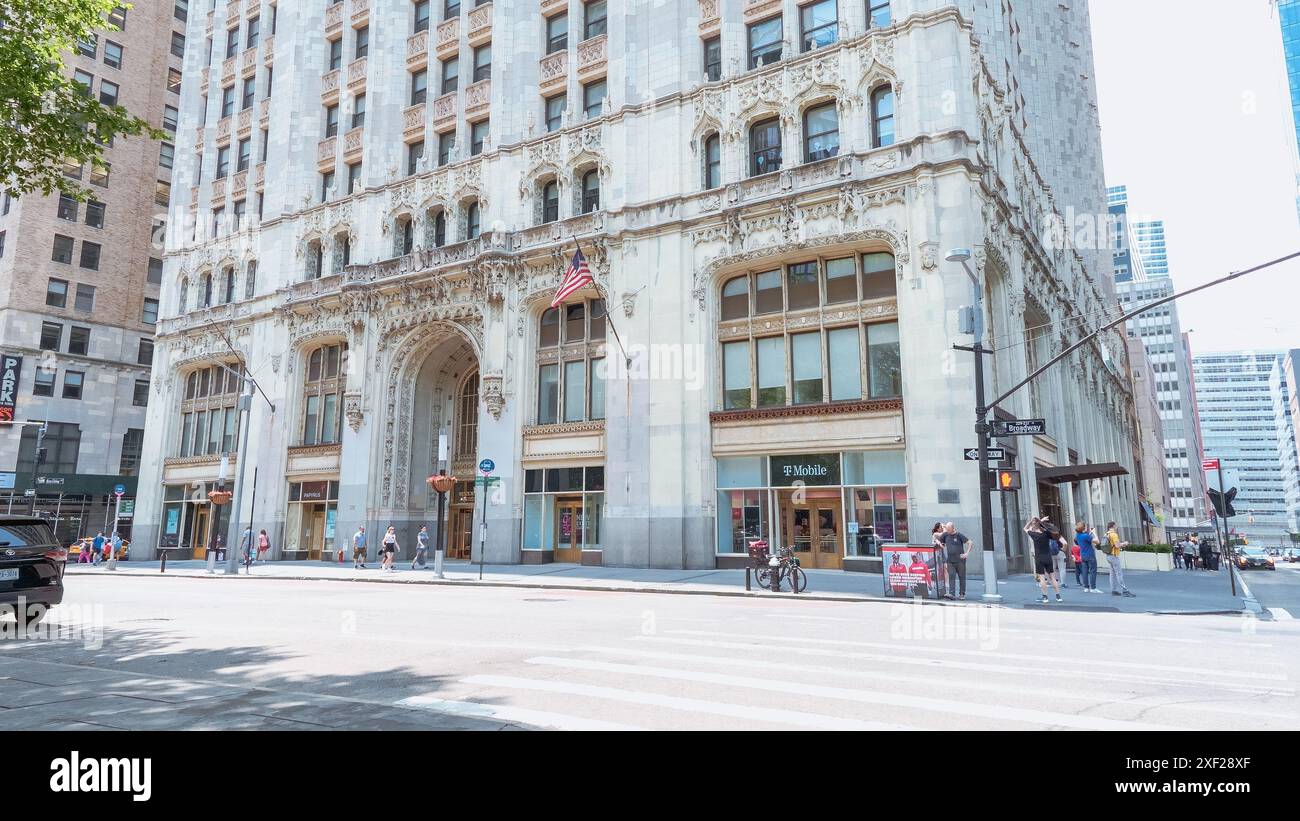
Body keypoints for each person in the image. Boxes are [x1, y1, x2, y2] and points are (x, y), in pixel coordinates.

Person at [1025, 517, 1063, 603]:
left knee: (1042, 578)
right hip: (1048, 557)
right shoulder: (1046, 534)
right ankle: (1058, 596)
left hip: (1039, 558)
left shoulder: (1033, 534)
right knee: (1053, 577)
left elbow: (1026, 528)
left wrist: (1032, 521)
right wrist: (1040, 521)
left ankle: (1045, 597)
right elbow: (1051, 532)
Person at [1102, 521, 1135, 597]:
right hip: (1114, 556)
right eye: (1116, 525)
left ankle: (1114, 590)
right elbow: (1117, 545)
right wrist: (1124, 543)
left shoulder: (1106, 534)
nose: (1117, 527)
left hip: (1108, 555)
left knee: (1112, 574)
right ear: (1113, 526)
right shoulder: (1114, 535)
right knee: (1119, 573)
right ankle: (1125, 591)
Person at [941, 522, 972, 600]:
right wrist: (939, 543)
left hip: (960, 561)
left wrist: (967, 553)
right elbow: (940, 543)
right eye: (946, 529)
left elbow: (970, 542)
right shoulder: (945, 535)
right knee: (951, 576)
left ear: (953, 528)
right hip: (950, 561)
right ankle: (952, 594)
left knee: (961, 577)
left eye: (949, 530)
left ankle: (962, 594)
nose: (947, 531)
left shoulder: (958, 535)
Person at [1074, 522, 1099, 593]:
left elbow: (1085, 539)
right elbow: (1097, 541)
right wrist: (1094, 533)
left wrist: (1089, 533)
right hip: (1090, 555)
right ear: (1084, 528)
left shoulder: (1078, 535)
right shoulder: (1085, 536)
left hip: (1083, 555)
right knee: (1092, 571)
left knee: (1084, 572)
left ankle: (1086, 587)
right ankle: (1093, 588)